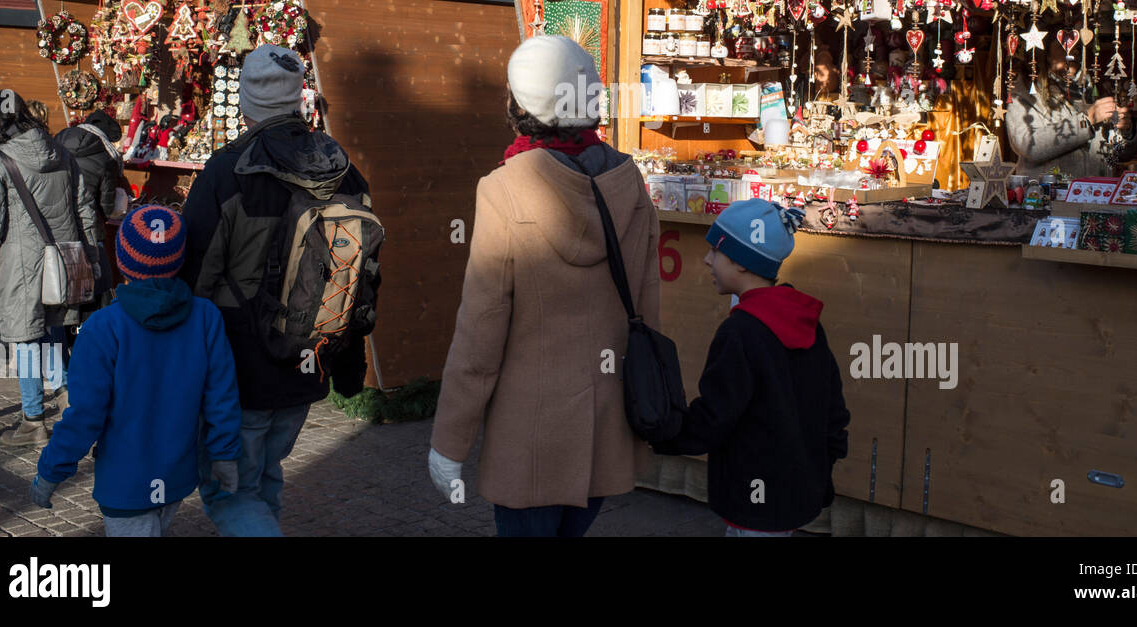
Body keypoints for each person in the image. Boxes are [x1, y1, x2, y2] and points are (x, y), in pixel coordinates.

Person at [429, 35, 662, 537]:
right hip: (606, 425)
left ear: (520, 104)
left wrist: (450, 441)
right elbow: (648, 307)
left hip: (529, 434)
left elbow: (480, 332)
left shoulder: (505, 188)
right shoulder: (630, 181)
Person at [181, 44, 373, 537]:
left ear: (245, 102)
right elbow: (364, 272)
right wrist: (350, 362)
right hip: (311, 355)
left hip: (239, 366)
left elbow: (193, 279)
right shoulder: (343, 171)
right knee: (266, 475)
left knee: (231, 491)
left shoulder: (227, 172)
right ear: (298, 98)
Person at [29, 205, 242, 536]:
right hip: (176, 475)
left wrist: (50, 471)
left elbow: (85, 415)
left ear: (122, 261)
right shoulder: (205, 317)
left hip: (125, 481)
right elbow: (222, 396)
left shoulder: (102, 327)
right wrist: (225, 455)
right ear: (179, 258)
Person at [652, 199, 850, 537]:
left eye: (716, 250)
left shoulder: (740, 333)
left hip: (752, 486)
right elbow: (833, 407)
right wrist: (823, 465)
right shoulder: (805, 323)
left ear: (741, 262)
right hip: (794, 486)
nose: (707, 259)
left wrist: (664, 434)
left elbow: (716, 415)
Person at [0, 90, 97, 448]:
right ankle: (67, 395)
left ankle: (32, 420)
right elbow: (84, 209)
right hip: (64, 259)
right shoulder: (62, 153)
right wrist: (89, 256)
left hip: (21, 262)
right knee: (51, 331)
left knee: (26, 338)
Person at [1005, 28, 1137, 177]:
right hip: (1048, 195)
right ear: (1047, 54)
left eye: (1078, 47)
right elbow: (1029, 145)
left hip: (1094, 195)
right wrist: (1087, 121)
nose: (1074, 52)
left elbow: (1118, 155)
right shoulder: (1025, 92)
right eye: (1064, 45)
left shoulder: (1091, 91)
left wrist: (1126, 132)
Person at [55, 109, 127, 310]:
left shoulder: (57, 141)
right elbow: (107, 206)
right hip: (90, 229)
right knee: (99, 286)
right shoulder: (106, 158)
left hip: (54, 225)